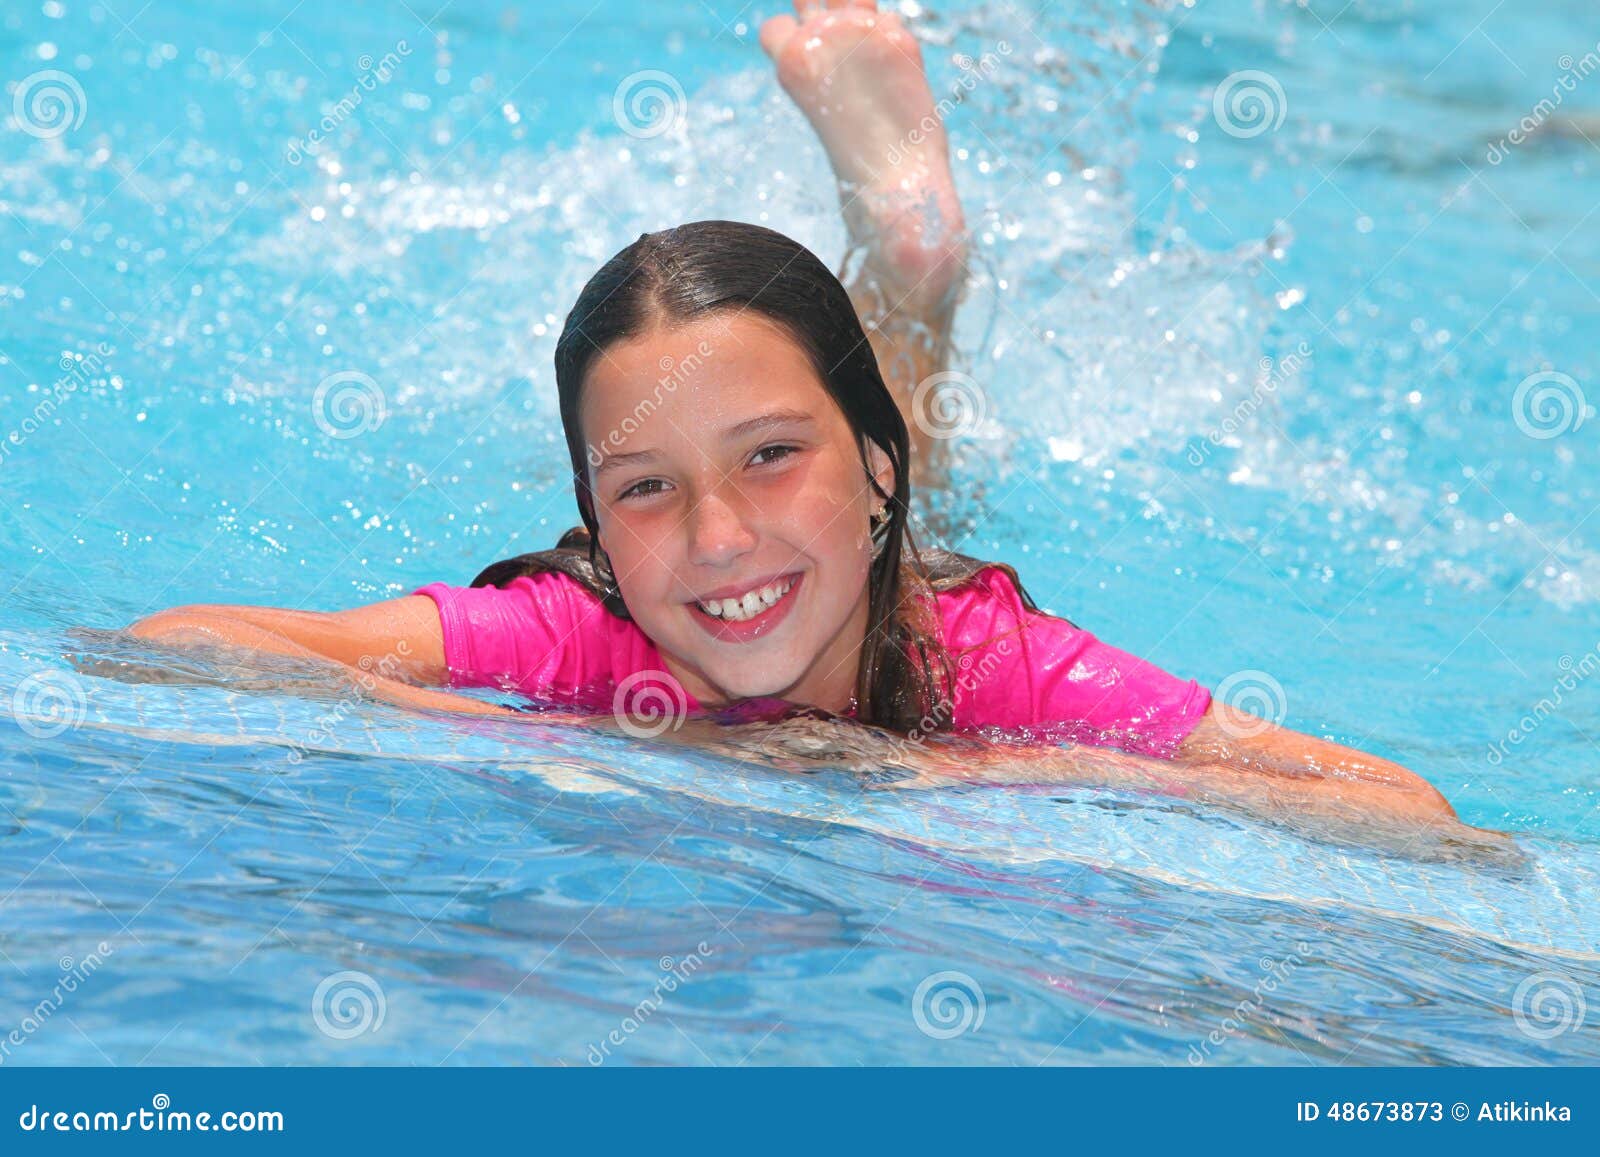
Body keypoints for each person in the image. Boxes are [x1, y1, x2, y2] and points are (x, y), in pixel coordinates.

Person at [126, 0, 1468, 836]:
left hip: (894, 582)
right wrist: (549, 731)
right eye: (643, 488)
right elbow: (177, 648)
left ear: (869, 471)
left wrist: (988, 773)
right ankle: (901, 267)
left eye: (767, 456)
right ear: (594, 522)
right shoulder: (583, 640)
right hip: (831, 539)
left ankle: (914, 260)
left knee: (930, 485)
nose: (714, 538)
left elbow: (1406, 813)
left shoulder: (983, 665)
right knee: (821, 500)